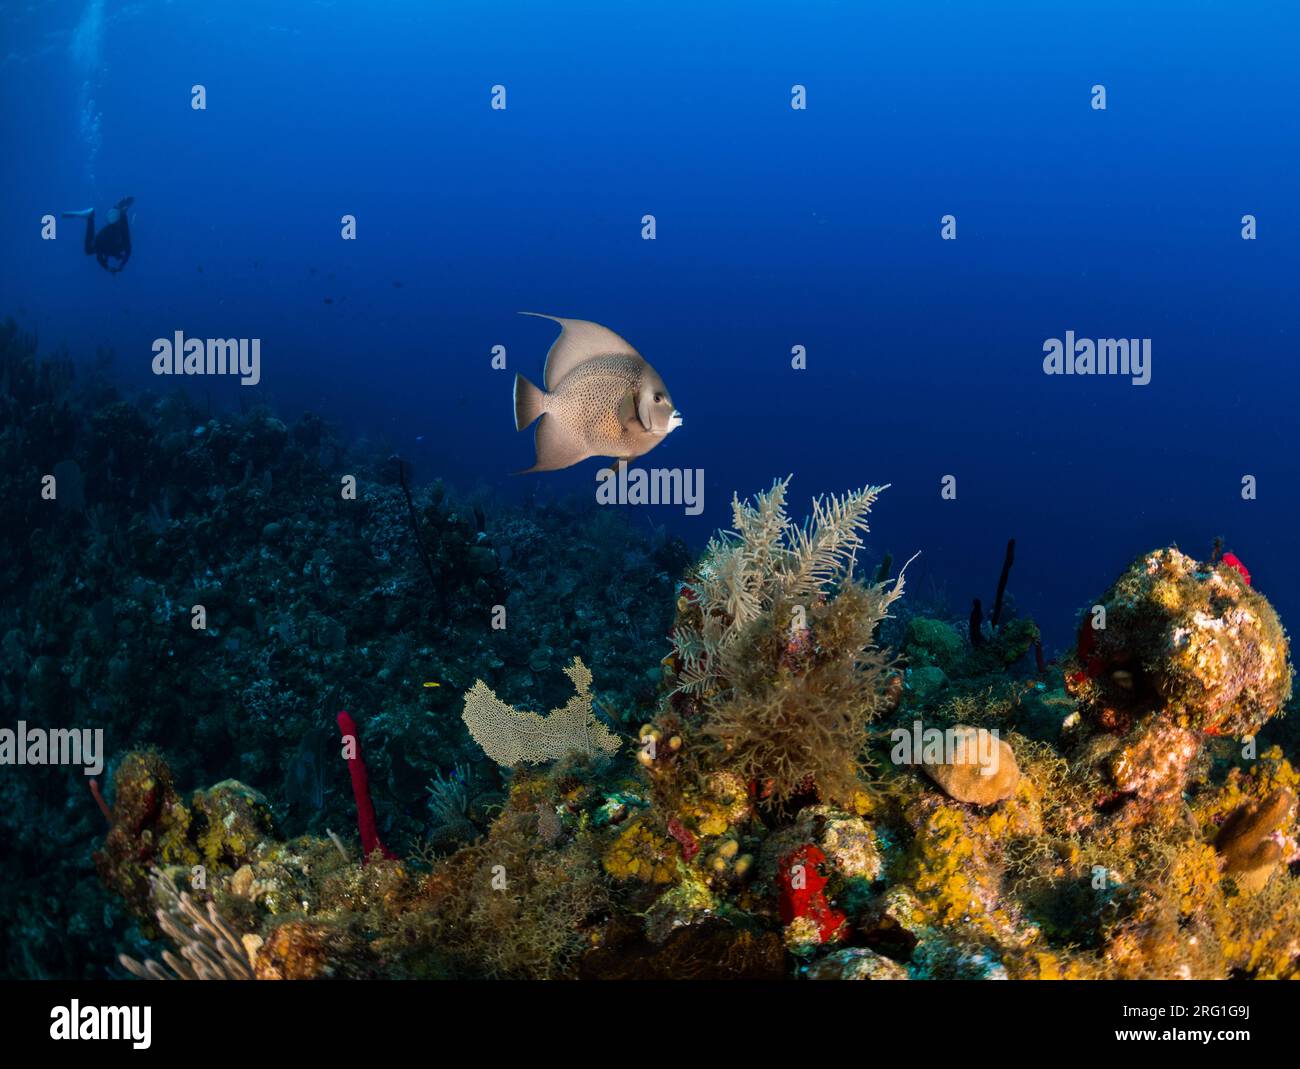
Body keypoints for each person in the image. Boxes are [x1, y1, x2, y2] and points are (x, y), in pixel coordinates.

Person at [63, 196, 134, 273]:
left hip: (106, 236)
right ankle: (92, 217)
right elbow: (127, 252)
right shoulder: (122, 242)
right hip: (107, 236)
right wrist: (117, 267)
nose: (117, 258)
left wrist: (110, 267)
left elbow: (99, 255)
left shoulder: (114, 245)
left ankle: (91, 217)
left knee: (89, 250)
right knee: (89, 250)